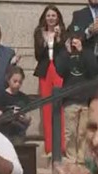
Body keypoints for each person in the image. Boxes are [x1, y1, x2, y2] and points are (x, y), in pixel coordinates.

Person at [54, 32, 98, 163]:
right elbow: (60, 70)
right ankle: (71, 157)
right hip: (70, 99)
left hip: (85, 99)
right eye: (72, 40)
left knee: (83, 131)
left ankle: (81, 158)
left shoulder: (87, 54)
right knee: (70, 132)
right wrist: (67, 52)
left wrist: (82, 52)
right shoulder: (65, 55)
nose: (75, 43)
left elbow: (93, 71)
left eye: (77, 40)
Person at [33, 5, 66, 154]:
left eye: (53, 15)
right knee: (46, 108)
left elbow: (65, 53)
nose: (51, 18)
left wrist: (58, 38)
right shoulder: (39, 33)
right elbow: (38, 55)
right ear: (44, 18)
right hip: (45, 70)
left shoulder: (64, 32)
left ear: (58, 17)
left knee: (60, 106)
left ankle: (63, 146)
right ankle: (49, 146)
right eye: (48, 16)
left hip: (59, 69)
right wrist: (46, 41)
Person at [0, 66, 32, 143]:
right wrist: (10, 113)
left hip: (18, 133)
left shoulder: (24, 98)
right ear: (8, 80)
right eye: (15, 81)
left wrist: (24, 118)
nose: (17, 84)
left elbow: (28, 117)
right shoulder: (1, 96)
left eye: (20, 82)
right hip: (4, 133)